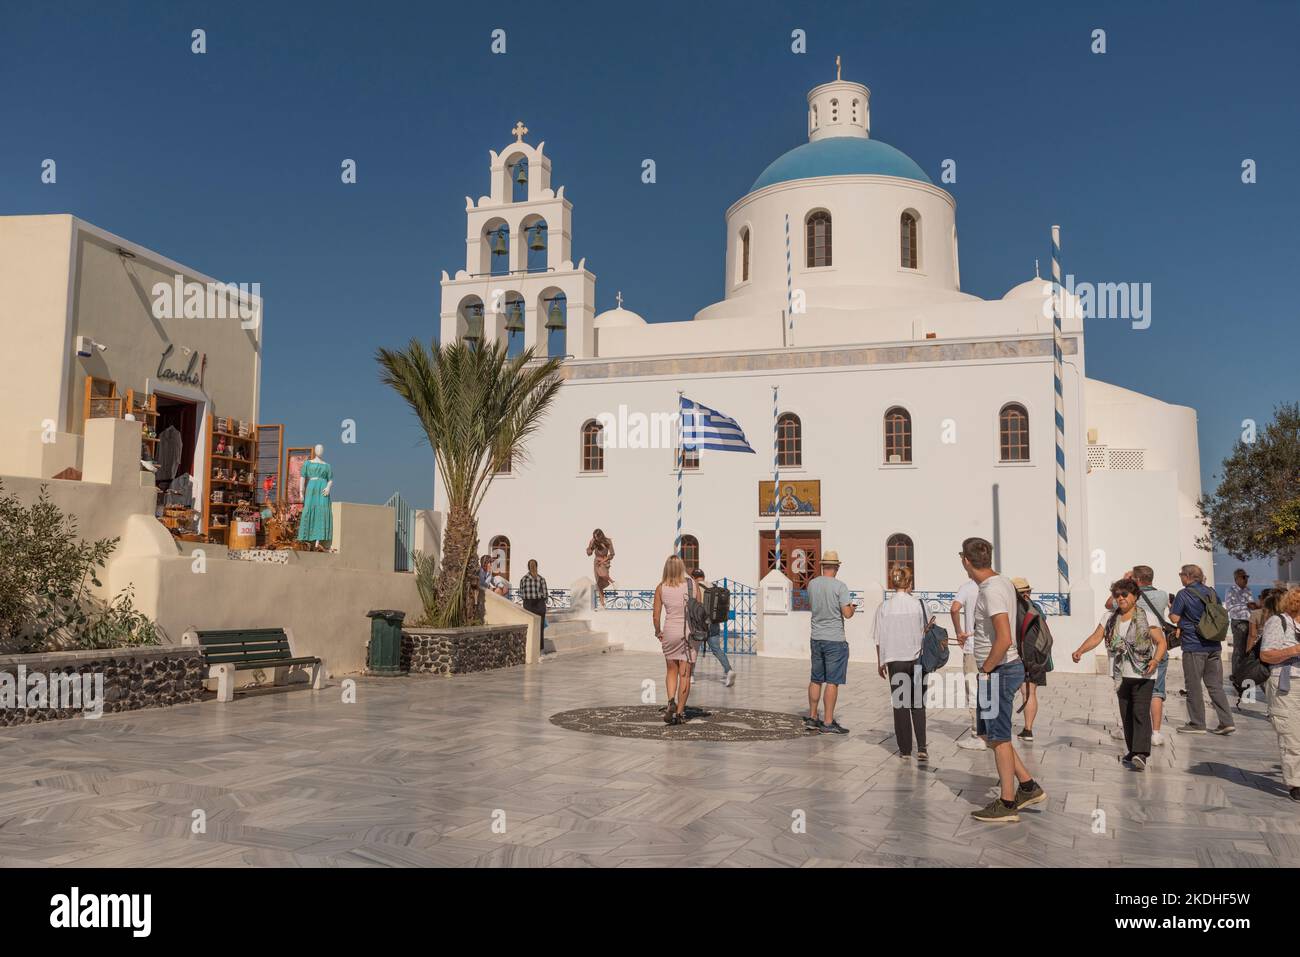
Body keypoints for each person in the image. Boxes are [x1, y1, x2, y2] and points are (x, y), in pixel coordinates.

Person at [962, 537, 1046, 824]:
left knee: (998, 738)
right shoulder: (1002, 583)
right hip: (999, 669)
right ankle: (1027, 786)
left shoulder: (992, 591)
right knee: (989, 735)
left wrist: (985, 669)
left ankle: (1007, 803)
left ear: (966, 561)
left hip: (999, 670)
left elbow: (1004, 637)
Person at [1071, 578, 1166, 770]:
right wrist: (1080, 650)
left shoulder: (1147, 617)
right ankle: (1132, 750)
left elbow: (1161, 642)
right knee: (1126, 712)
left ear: (1135, 596)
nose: (1120, 598)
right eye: (1117, 595)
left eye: (1124, 594)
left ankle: (1141, 753)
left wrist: (1155, 661)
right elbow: (1097, 637)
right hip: (1120, 673)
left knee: (1139, 711)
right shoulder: (1109, 617)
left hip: (1143, 671)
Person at [1169, 564, 1235, 735]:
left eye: (1181, 574)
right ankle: (1226, 721)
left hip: (1193, 644)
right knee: (1215, 685)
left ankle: (1197, 723)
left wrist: (1171, 609)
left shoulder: (1183, 594)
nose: (1180, 577)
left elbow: (1175, 618)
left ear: (1189, 576)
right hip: (1214, 645)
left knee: (1193, 685)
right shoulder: (1212, 592)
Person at [875, 565, 928, 760]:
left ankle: (905, 750)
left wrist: (880, 662)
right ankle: (922, 747)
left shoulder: (885, 607)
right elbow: (926, 629)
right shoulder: (917, 605)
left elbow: (878, 638)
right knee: (917, 704)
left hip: (895, 661)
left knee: (900, 705)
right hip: (916, 659)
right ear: (909, 583)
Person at [805, 550, 855, 735]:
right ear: (836, 567)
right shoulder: (840, 587)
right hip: (834, 639)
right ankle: (827, 721)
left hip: (816, 637)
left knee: (816, 678)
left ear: (822, 566)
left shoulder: (812, 584)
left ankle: (812, 717)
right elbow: (847, 614)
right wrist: (852, 607)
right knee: (832, 681)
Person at [1259, 587, 1300, 801]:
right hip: (1286, 685)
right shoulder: (1278, 622)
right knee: (1291, 735)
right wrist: (1293, 650)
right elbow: (1266, 655)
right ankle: (1296, 783)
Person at [652, 555, 698, 725]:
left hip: (669, 632)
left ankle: (671, 700)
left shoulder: (660, 588)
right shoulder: (691, 584)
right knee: (684, 674)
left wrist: (658, 632)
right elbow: (698, 609)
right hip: (688, 633)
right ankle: (679, 714)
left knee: (671, 669)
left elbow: (656, 616)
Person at [1131, 566, 1172, 746]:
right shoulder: (1163, 595)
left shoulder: (1133, 597)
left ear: (1137, 579)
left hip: (1137, 650)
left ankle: (1133, 728)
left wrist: (1125, 581)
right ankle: (1155, 733)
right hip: (1159, 648)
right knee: (1157, 691)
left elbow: (1110, 604)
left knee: (1132, 690)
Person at [951, 573, 986, 751]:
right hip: (993, 648)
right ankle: (993, 731)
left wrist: (959, 632)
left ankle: (978, 734)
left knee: (973, 690)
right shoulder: (1000, 584)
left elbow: (955, 608)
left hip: (973, 647)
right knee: (991, 690)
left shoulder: (967, 587)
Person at [690, 568, 737, 687]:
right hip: (714, 623)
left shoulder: (694, 587)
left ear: (693, 577)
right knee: (717, 649)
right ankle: (729, 670)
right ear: (703, 577)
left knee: (693, 649)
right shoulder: (713, 586)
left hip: (699, 624)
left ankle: (691, 675)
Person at [1012, 577, 1045, 742]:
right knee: (1030, 692)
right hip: (1036, 655)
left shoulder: (1012, 609)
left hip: (1018, 654)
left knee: (1007, 691)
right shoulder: (1036, 607)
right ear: (1028, 592)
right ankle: (1028, 729)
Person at [1226, 568, 1259, 699]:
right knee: (1239, 650)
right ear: (1237, 578)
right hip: (1238, 621)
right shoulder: (1231, 590)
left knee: (1248, 650)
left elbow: (1250, 605)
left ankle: (1245, 676)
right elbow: (1229, 607)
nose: (1246, 579)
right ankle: (1236, 677)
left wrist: (1253, 607)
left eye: (1247, 577)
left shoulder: (1248, 590)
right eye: (1244, 577)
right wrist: (1246, 605)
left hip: (1249, 621)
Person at [518, 559, 549, 653]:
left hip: (528, 604)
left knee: (529, 627)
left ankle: (529, 649)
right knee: (540, 629)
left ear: (528, 567)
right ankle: (539, 651)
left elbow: (521, 593)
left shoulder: (523, 579)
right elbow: (545, 594)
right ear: (537, 566)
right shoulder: (541, 579)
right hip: (539, 603)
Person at [587, 529, 615, 607]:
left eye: (597, 537)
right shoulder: (594, 542)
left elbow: (612, 554)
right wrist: (590, 545)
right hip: (597, 562)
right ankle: (602, 602)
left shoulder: (608, 541)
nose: (596, 539)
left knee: (604, 574)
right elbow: (589, 553)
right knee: (599, 582)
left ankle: (612, 581)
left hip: (605, 561)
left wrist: (604, 560)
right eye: (595, 537)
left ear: (601, 535)